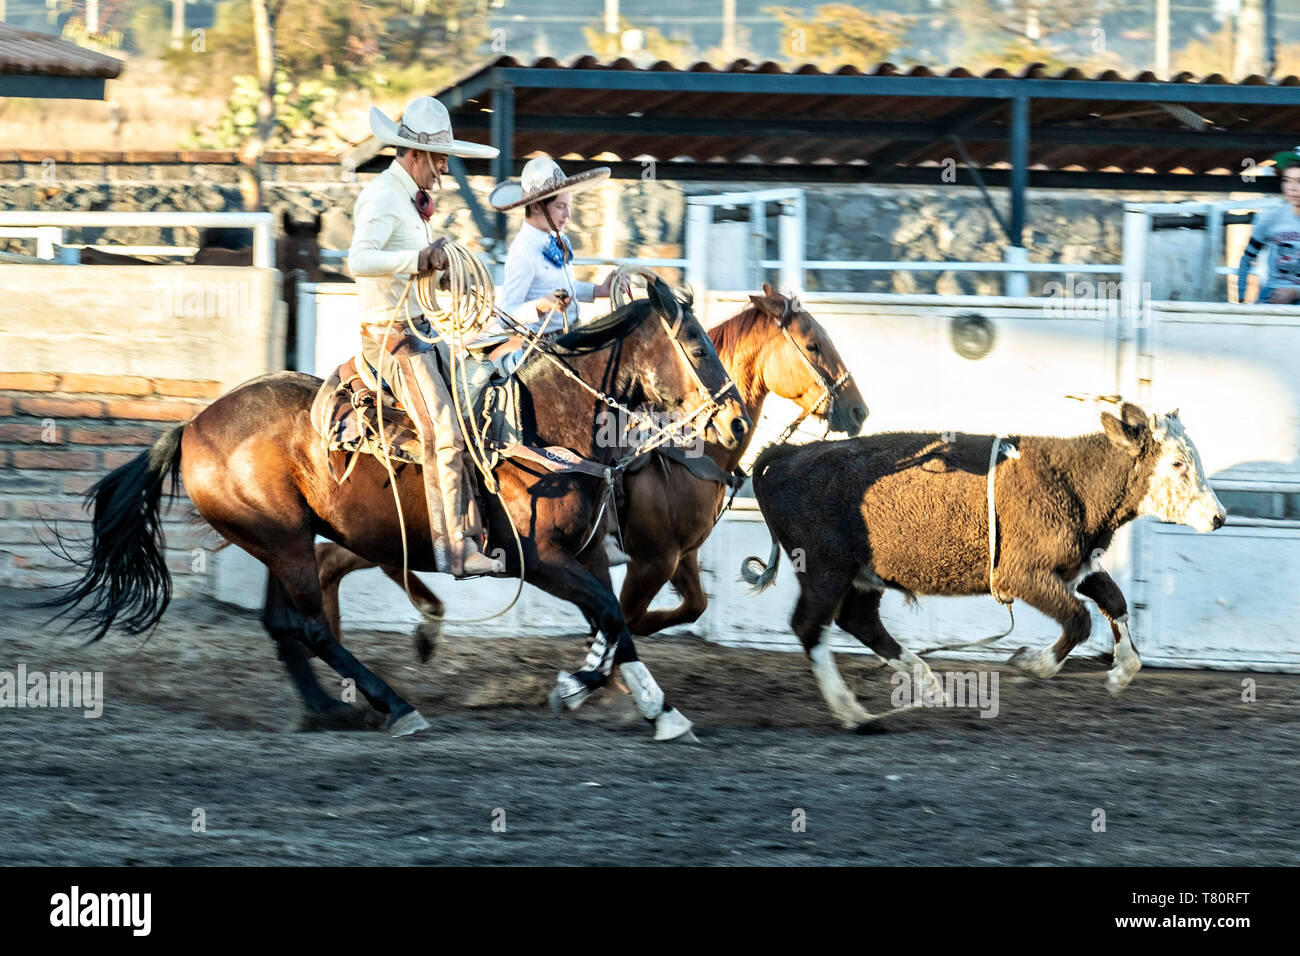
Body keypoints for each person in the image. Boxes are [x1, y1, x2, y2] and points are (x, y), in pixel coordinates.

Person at [347, 96, 503, 578]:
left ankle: (477, 531)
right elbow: (358, 260)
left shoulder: (409, 202)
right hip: (391, 335)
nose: (443, 169)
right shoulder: (381, 195)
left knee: (478, 412)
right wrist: (417, 261)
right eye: (438, 159)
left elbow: (414, 272)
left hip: (419, 328)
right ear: (414, 154)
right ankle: (452, 549)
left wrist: (443, 275)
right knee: (444, 432)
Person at [489, 157, 631, 565]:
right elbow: (504, 312)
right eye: (561, 206)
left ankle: (603, 522)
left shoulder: (553, 243)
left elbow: (566, 285)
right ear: (536, 207)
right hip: (539, 353)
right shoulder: (521, 253)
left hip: (564, 349)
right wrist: (540, 305)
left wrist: (598, 290)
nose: (568, 213)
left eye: (568, 205)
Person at [1237, 147, 1300, 305]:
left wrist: (1295, 292)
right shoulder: (1270, 218)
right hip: (1272, 295)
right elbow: (1246, 259)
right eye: (1287, 180)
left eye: (1299, 181)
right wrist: (1241, 297)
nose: (1292, 188)